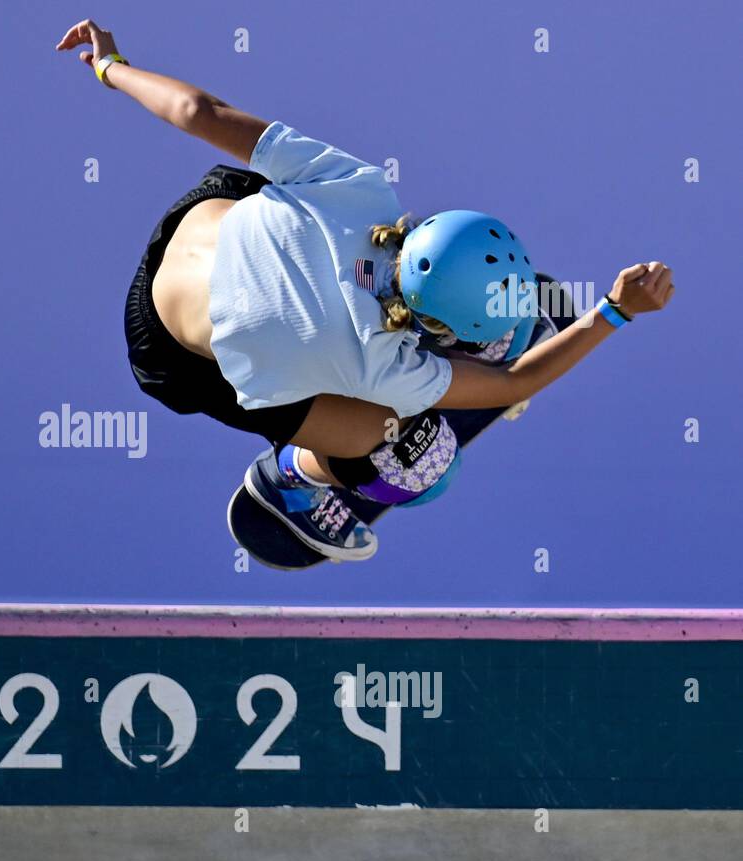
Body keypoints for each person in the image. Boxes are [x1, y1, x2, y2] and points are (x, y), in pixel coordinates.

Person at [57, 18, 675, 562]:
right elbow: (517, 383)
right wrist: (612, 312)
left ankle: (461, 352)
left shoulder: (361, 188)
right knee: (417, 459)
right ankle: (295, 476)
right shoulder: (384, 365)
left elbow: (196, 112)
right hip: (173, 354)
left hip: (200, 221)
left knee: (300, 243)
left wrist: (112, 68)